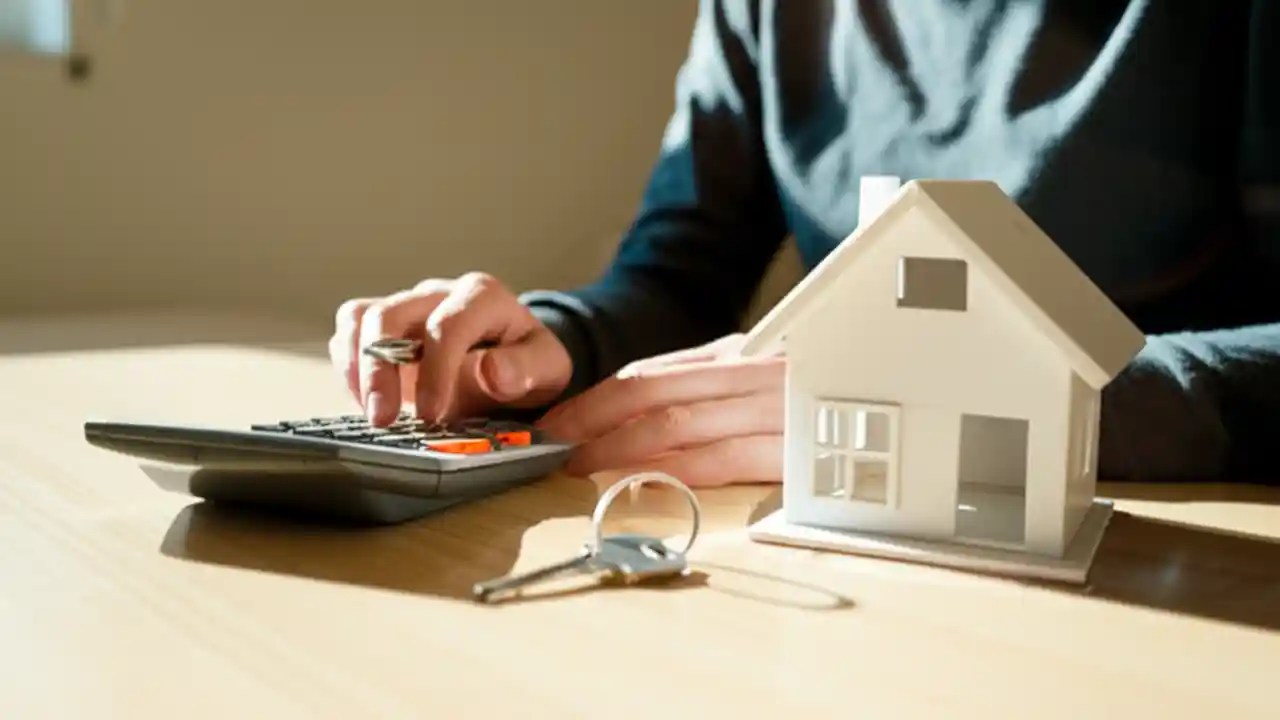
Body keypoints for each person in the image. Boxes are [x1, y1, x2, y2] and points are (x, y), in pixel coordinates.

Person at [329, 1, 1279, 487]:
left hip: (1183, 546)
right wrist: (548, 345)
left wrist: (1030, 406)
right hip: (861, 532)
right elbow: (679, 279)